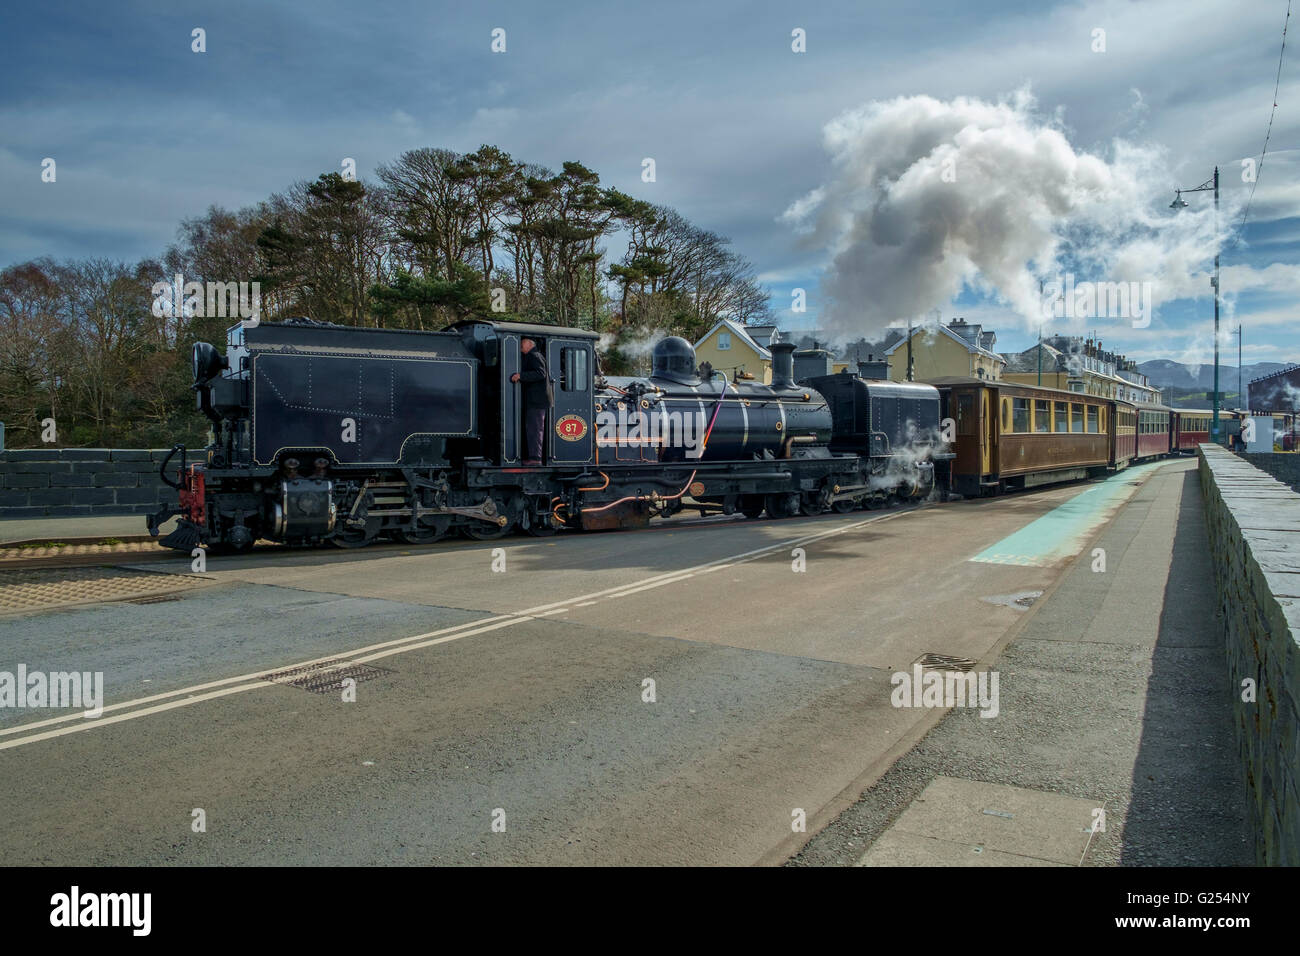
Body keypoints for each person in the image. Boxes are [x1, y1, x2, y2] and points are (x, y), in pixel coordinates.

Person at [510, 338, 553, 466]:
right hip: (533, 399)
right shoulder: (530, 356)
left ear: (530, 344)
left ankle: (535, 458)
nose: (520, 346)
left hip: (537, 400)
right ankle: (533, 456)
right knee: (532, 428)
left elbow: (541, 373)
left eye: (522, 343)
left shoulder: (535, 355)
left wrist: (521, 376)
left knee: (535, 429)